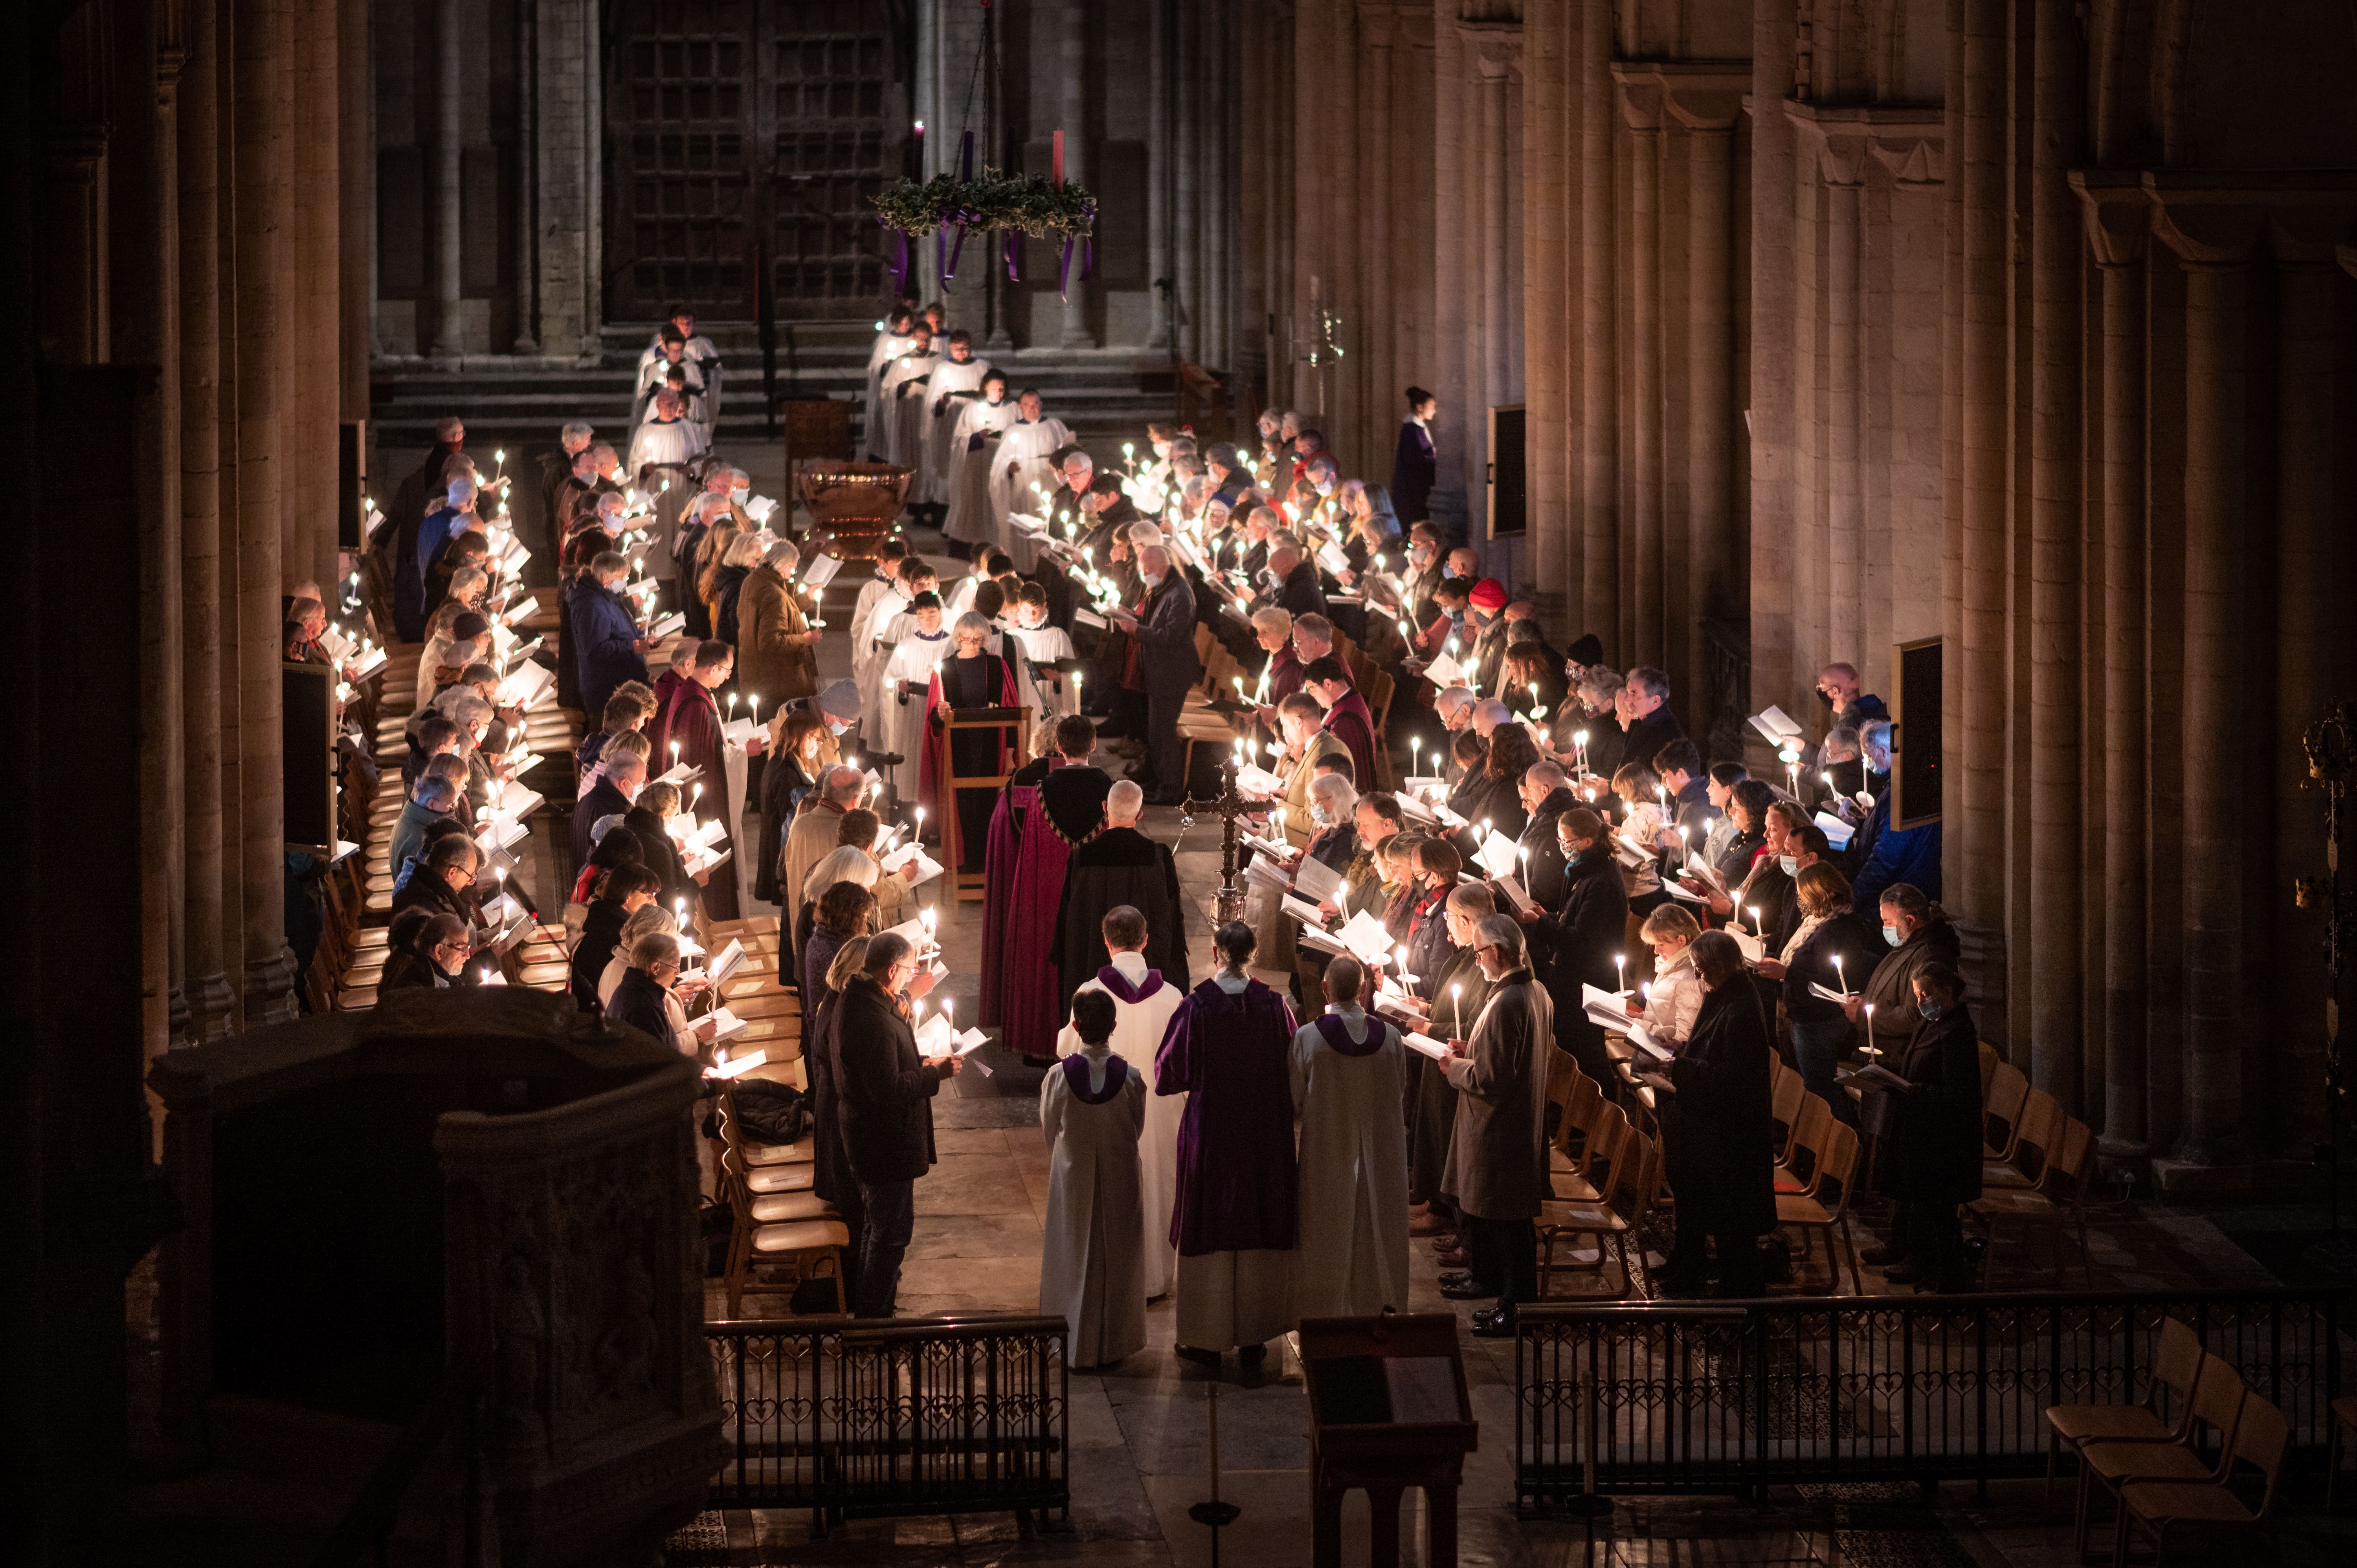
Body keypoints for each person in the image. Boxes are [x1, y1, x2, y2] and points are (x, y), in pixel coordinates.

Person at [1155, 922, 1300, 1367]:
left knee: (1211, 1222)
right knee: (1258, 1216)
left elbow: (1169, 1072)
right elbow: (1294, 1065)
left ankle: (1207, 1336)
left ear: (1216, 953)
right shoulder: (1275, 1006)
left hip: (1212, 1132)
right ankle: (1255, 1333)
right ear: (1253, 954)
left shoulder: (1197, 1006)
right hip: (1262, 1134)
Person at [1054, 904, 1189, 1300]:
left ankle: (1117, 1280)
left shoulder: (1088, 993)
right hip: (1160, 1112)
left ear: (1106, 942)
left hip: (1107, 1114)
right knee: (1159, 1187)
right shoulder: (1173, 997)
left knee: (1112, 1194)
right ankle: (1156, 1278)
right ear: (1145, 940)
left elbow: (1066, 1049)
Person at [1436, 915, 1556, 1337]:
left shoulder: (1509, 1001)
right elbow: (1509, 1055)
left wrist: (1454, 1068)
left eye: (1479, 952)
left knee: (1509, 1223)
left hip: (1501, 1125)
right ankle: (1486, 1278)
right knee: (1492, 1213)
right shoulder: (1535, 991)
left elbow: (1493, 1077)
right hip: (1510, 1121)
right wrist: (1471, 1047)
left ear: (1499, 951)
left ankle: (1516, 1308)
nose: (1477, 960)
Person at [835, 934, 963, 1317]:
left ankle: (875, 1314)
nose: (912, 975)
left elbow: (882, 1069)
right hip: (882, 1143)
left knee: (879, 1229)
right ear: (891, 969)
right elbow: (886, 1089)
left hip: (875, 1138)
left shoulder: (864, 998)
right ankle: (874, 1323)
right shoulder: (870, 1017)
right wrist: (934, 1074)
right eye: (909, 968)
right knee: (889, 1236)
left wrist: (919, 1063)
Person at [1644, 930, 1776, 1297]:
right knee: (1697, 1200)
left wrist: (1682, 1068)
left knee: (1732, 1221)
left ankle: (1738, 1292)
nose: (1698, 976)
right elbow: (1710, 1046)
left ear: (1720, 966)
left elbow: (1734, 1076)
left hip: (1731, 1134)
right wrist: (1682, 1047)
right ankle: (1688, 1264)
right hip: (1711, 1126)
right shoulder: (1724, 993)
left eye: (1701, 969)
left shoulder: (1742, 1007)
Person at [1287, 954, 1411, 1319]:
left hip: (1327, 1152)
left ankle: (1324, 1310)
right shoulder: (1391, 1038)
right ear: (1364, 989)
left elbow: (1295, 1098)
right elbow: (1400, 1090)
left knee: (1326, 1226)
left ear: (1325, 988)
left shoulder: (1308, 1037)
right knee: (1378, 1225)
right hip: (1382, 1151)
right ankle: (1378, 1302)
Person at [984, 717, 1111, 1057]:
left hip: (1048, 895)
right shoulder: (1110, 789)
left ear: (1058, 746)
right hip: (1095, 895)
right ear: (1094, 745)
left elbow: (1030, 854)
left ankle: (1044, 1041)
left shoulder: (1041, 791)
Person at [1038, 988, 1149, 1368]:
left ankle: (1073, 1344)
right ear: (1114, 1026)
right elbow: (1136, 1128)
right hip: (1120, 1178)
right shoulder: (1131, 1078)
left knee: (1072, 1255)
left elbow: (1049, 1128)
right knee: (1117, 1257)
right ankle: (1115, 1343)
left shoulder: (1057, 1077)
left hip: (1073, 1179)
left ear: (1075, 1026)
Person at [1861, 962, 1981, 1291]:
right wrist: (1883, 1067)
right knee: (1908, 1195)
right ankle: (1905, 1250)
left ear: (1947, 991)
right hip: (1919, 1126)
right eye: (1917, 995)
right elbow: (1913, 1061)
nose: (1920, 1001)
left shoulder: (1958, 1034)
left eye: (1926, 994)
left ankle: (1935, 1270)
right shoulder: (1932, 1022)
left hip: (1942, 1137)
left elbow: (1958, 1095)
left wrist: (1911, 1090)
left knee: (1933, 1207)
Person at [1053, 779, 1190, 1013]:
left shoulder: (1081, 857)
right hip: (1147, 972)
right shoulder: (1159, 857)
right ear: (1140, 814)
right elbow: (1173, 922)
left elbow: (1068, 922)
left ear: (1104, 808)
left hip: (1093, 967)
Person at [1518, 805, 1629, 1080]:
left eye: (1567, 841)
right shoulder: (1586, 869)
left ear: (1588, 841)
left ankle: (1593, 1101)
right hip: (1576, 974)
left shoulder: (1601, 881)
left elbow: (1582, 940)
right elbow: (1574, 917)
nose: (1562, 847)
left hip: (1587, 981)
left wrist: (1539, 924)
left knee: (1584, 1053)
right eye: (1559, 840)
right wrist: (1548, 916)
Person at [1759, 862, 1866, 1125]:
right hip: (1807, 1018)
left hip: (1819, 1021)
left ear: (1818, 894)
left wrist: (1786, 973)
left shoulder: (1834, 929)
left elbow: (1829, 982)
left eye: (1802, 895)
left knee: (1820, 1089)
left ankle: (1841, 1141)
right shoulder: (1818, 924)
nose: (1800, 902)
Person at [920, 610, 1026, 870]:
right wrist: (940, 713)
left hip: (993, 748)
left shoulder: (997, 666)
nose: (972, 644)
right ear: (958, 638)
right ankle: (963, 866)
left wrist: (1010, 754)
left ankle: (989, 867)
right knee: (963, 808)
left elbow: (1011, 712)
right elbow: (933, 720)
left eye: (978, 640)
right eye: (967, 639)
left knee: (990, 807)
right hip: (958, 750)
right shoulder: (945, 669)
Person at [651, 638, 744, 921]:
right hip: (703, 803)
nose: (728, 677)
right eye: (727, 671)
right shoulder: (697, 705)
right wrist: (742, 753)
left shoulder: (689, 691)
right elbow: (704, 762)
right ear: (713, 668)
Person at [1108, 544, 1199, 805]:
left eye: (1147, 569)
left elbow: (1171, 636)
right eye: (1142, 569)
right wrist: (1131, 617)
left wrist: (1136, 630)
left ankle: (1170, 790)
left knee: (1164, 733)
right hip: (1160, 670)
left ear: (1163, 566)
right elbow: (1154, 622)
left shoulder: (1180, 594)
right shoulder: (1163, 587)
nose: (1144, 574)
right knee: (1156, 731)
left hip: (1172, 672)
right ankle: (1157, 781)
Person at [1845, 883, 1960, 1043]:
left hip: (1899, 1050)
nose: (1885, 928)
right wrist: (1866, 1000)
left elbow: (1916, 1015)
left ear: (1910, 920)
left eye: (1888, 922)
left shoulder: (1929, 955)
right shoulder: (1908, 942)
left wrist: (1863, 1016)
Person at [568, 550, 652, 722]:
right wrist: (633, 646)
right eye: (622, 577)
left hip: (620, 682)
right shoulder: (592, 604)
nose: (625, 582)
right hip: (606, 689)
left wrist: (641, 636)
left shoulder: (608, 597)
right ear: (606, 578)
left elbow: (616, 630)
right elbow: (596, 649)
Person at [571, 863, 660, 1013]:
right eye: (649, 896)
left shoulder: (603, 920)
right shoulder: (622, 937)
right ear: (628, 895)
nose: (655, 903)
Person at [1626, 904, 1706, 1043]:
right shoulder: (1670, 966)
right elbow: (1666, 1015)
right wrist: (1643, 1017)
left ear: (1681, 940)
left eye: (1661, 944)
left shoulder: (1689, 978)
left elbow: (1683, 1037)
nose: (1656, 951)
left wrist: (1638, 1025)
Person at [1301, 654, 1380, 794]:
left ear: (1328, 684)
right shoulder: (1349, 700)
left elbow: (1336, 772)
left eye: (1312, 689)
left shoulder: (1345, 722)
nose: (1313, 697)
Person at [605, 932, 687, 1055]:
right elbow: (658, 1059)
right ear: (656, 968)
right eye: (676, 966)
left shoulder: (631, 989)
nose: (678, 972)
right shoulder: (644, 1008)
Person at [389, 775, 460, 882]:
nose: (452, 810)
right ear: (432, 804)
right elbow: (427, 881)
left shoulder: (412, 815)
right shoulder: (420, 837)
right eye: (450, 805)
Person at [380, 911, 474, 991]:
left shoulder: (450, 982)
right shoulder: (417, 991)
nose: (467, 955)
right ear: (439, 951)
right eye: (462, 948)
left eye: (468, 947)